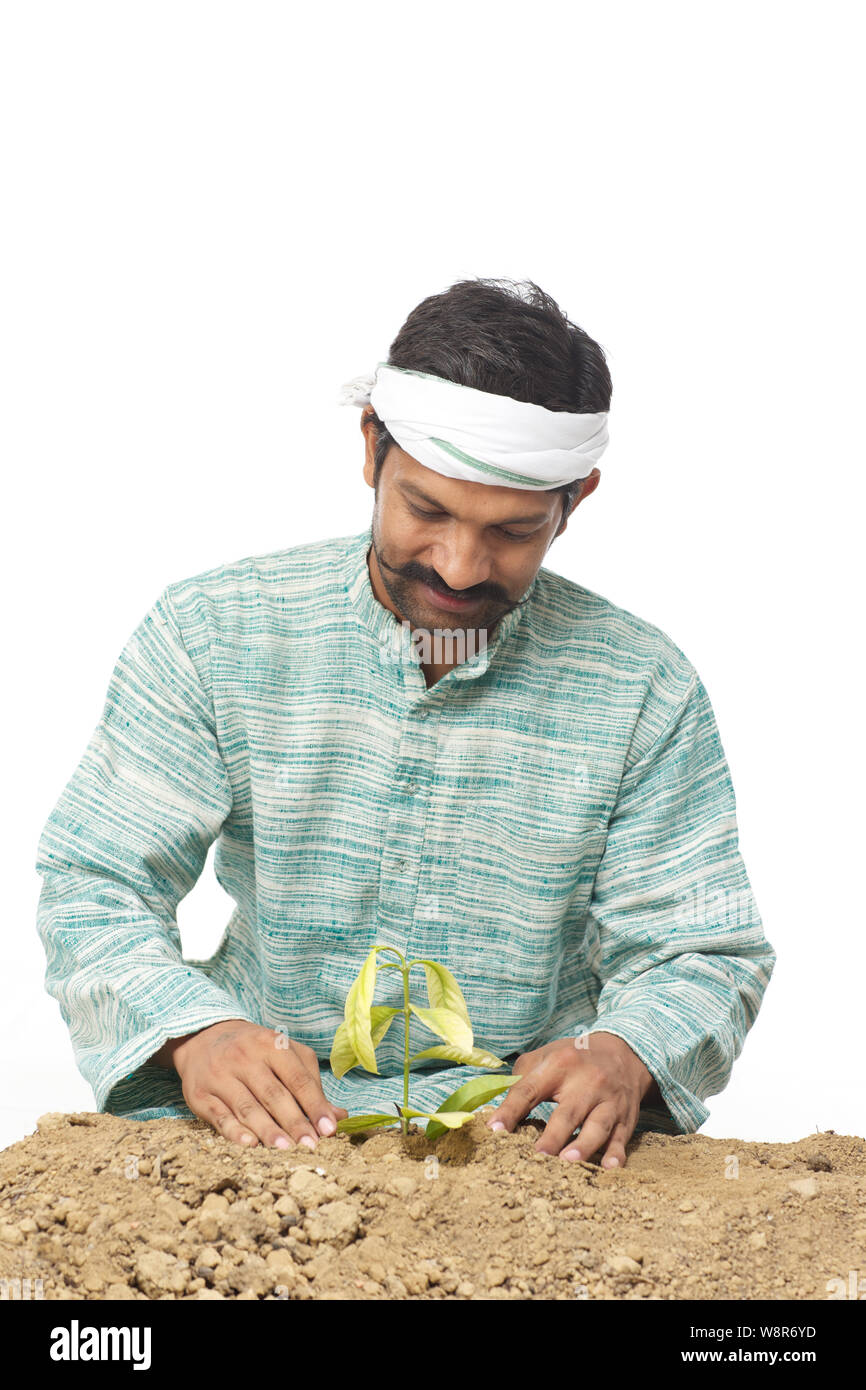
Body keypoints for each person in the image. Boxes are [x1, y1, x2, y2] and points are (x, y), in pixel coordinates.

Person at [34, 277, 776, 1169]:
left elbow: (705, 948)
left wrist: (626, 1052)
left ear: (576, 498)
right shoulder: (214, 635)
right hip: (258, 1133)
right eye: (426, 510)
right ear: (370, 449)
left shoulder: (643, 689)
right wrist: (195, 1034)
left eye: (512, 531)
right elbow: (95, 881)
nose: (460, 567)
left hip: (536, 1147)